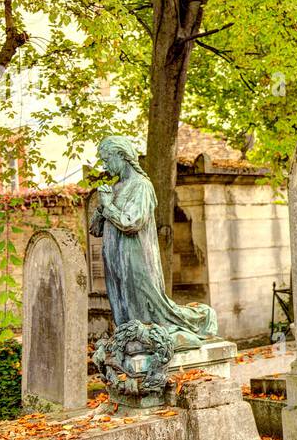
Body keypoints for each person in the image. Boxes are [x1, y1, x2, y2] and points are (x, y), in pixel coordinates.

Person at [90, 135, 218, 349]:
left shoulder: (141, 186)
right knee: (122, 306)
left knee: (150, 310)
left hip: (136, 259)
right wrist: (102, 206)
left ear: (121, 156)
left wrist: (109, 206)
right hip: (115, 259)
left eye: (107, 159)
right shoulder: (115, 188)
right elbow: (95, 229)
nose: (104, 166)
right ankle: (131, 338)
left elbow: (132, 222)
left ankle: (197, 319)